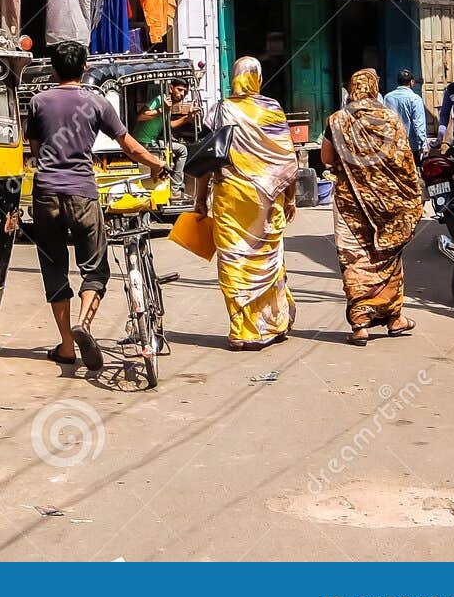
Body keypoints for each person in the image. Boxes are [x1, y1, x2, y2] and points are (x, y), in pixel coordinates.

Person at [23, 40, 165, 370]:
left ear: (54, 71)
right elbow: (129, 145)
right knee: (95, 267)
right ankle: (84, 325)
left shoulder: (38, 102)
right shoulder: (97, 102)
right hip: (82, 192)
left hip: (45, 193)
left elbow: (34, 148)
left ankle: (67, 346)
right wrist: (156, 164)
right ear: (85, 68)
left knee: (54, 267)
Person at [194, 56, 299, 350]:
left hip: (229, 199)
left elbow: (208, 158)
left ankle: (241, 330)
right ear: (258, 78)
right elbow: (286, 159)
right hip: (266, 201)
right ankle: (269, 325)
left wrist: (200, 200)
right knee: (267, 261)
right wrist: (290, 199)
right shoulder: (272, 110)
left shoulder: (219, 111)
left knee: (234, 262)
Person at [321, 69, 424, 345]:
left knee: (355, 258)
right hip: (388, 203)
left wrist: (352, 165)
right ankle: (394, 318)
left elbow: (327, 158)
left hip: (349, 203)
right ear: (375, 88)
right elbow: (404, 161)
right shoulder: (390, 119)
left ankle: (360, 325)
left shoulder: (337, 120)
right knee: (387, 255)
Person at [381, 69, 428, 159]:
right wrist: (423, 144)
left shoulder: (387, 97)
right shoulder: (415, 99)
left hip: (393, 144)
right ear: (412, 82)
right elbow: (418, 124)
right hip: (410, 146)